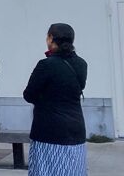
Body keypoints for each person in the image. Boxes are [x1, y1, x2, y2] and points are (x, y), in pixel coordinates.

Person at [23, 23, 87, 176]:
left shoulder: (46, 65)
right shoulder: (81, 64)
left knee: (47, 171)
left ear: (51, 38)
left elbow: (29, 94)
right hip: (76, 129)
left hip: (49, 131)